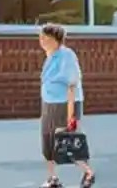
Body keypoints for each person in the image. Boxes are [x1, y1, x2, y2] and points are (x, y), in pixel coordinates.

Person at [38, 23, 94, 188]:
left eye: (46, 38)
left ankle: (88, 172)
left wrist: (71, 115)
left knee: (67, 141)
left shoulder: (66, 56)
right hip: (49, 103)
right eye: (41, 38)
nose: (42, 41)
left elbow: (72, 85)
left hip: (65, 104)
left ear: (57, 40)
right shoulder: (50, 56)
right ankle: (52, 178)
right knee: (47, 141)